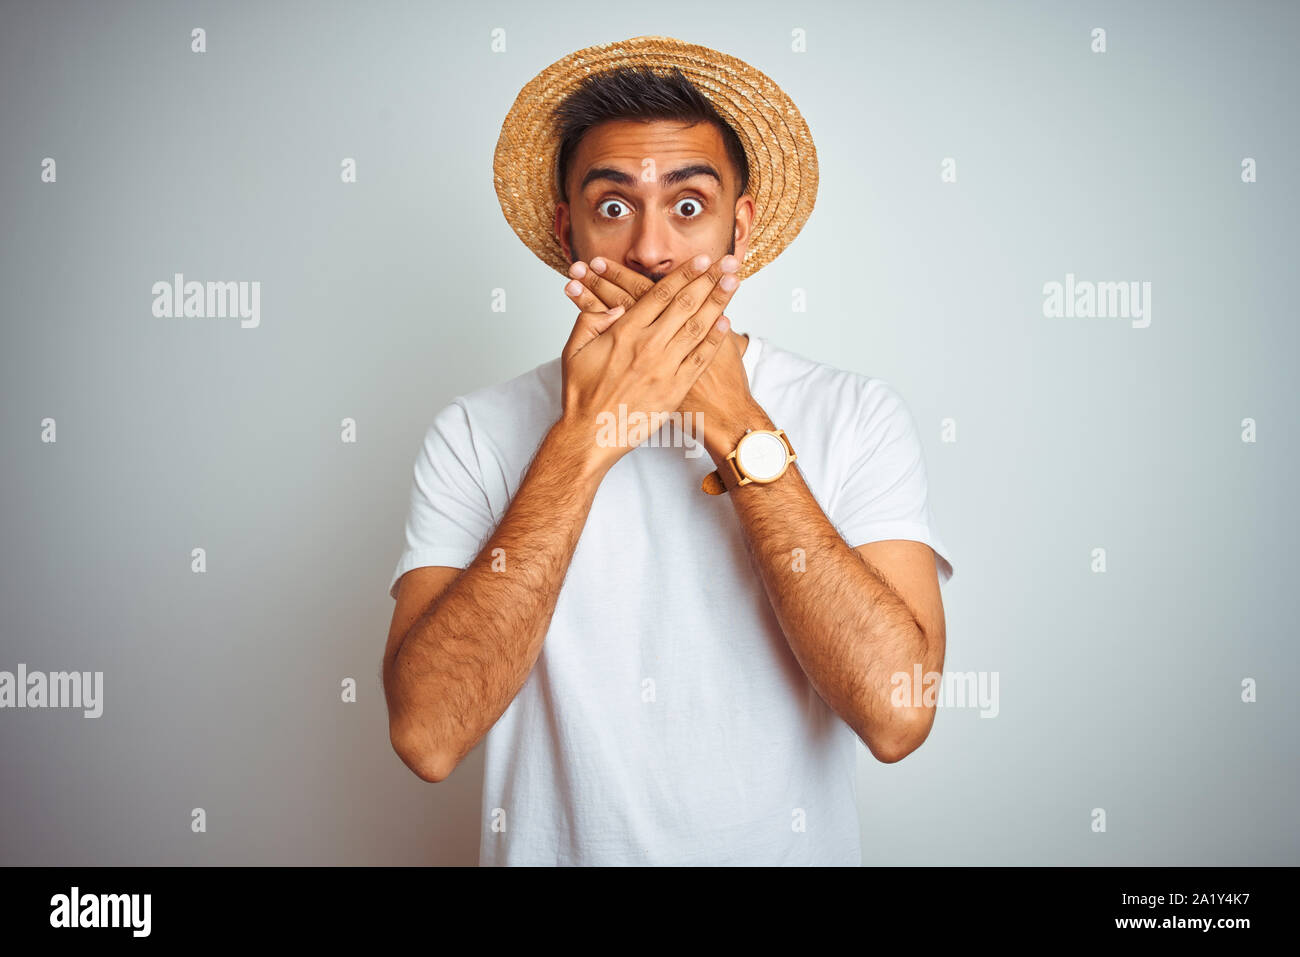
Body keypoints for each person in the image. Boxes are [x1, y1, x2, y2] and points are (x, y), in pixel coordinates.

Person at [382, 36, 955, 866]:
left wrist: (733, 421)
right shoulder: (474, 432)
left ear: (740, 228)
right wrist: (584, 434)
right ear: (566, 229)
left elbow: (898, 717)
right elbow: (427, 735)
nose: (651, 251)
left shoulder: (856, 414)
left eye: (689, 207)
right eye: (613, 207)